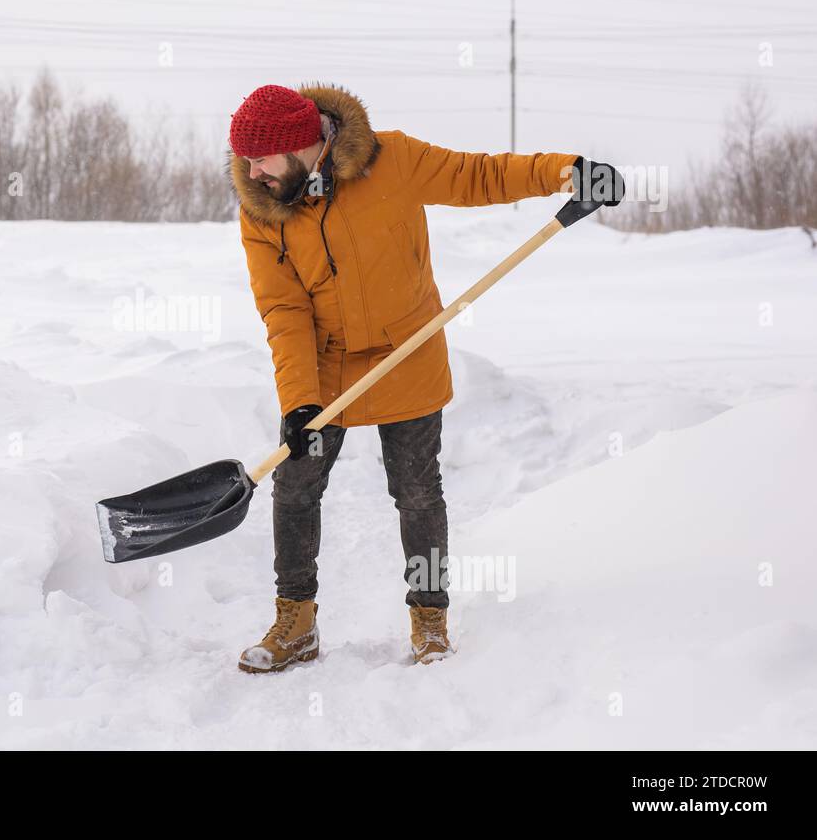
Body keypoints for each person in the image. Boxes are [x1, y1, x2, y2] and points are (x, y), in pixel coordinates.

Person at [228, 82, 622, 673]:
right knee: (295, 487)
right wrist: (301, 403)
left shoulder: (393, 160)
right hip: (326, 366)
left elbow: (477, 176)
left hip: (406, 350)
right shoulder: (263, 211)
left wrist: (566, 172)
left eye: (260, 158)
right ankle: (297, 620)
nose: (250, 171)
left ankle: (429, 619)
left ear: (302, 145)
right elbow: (284, 311)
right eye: (245, 159)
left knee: (417, 494)